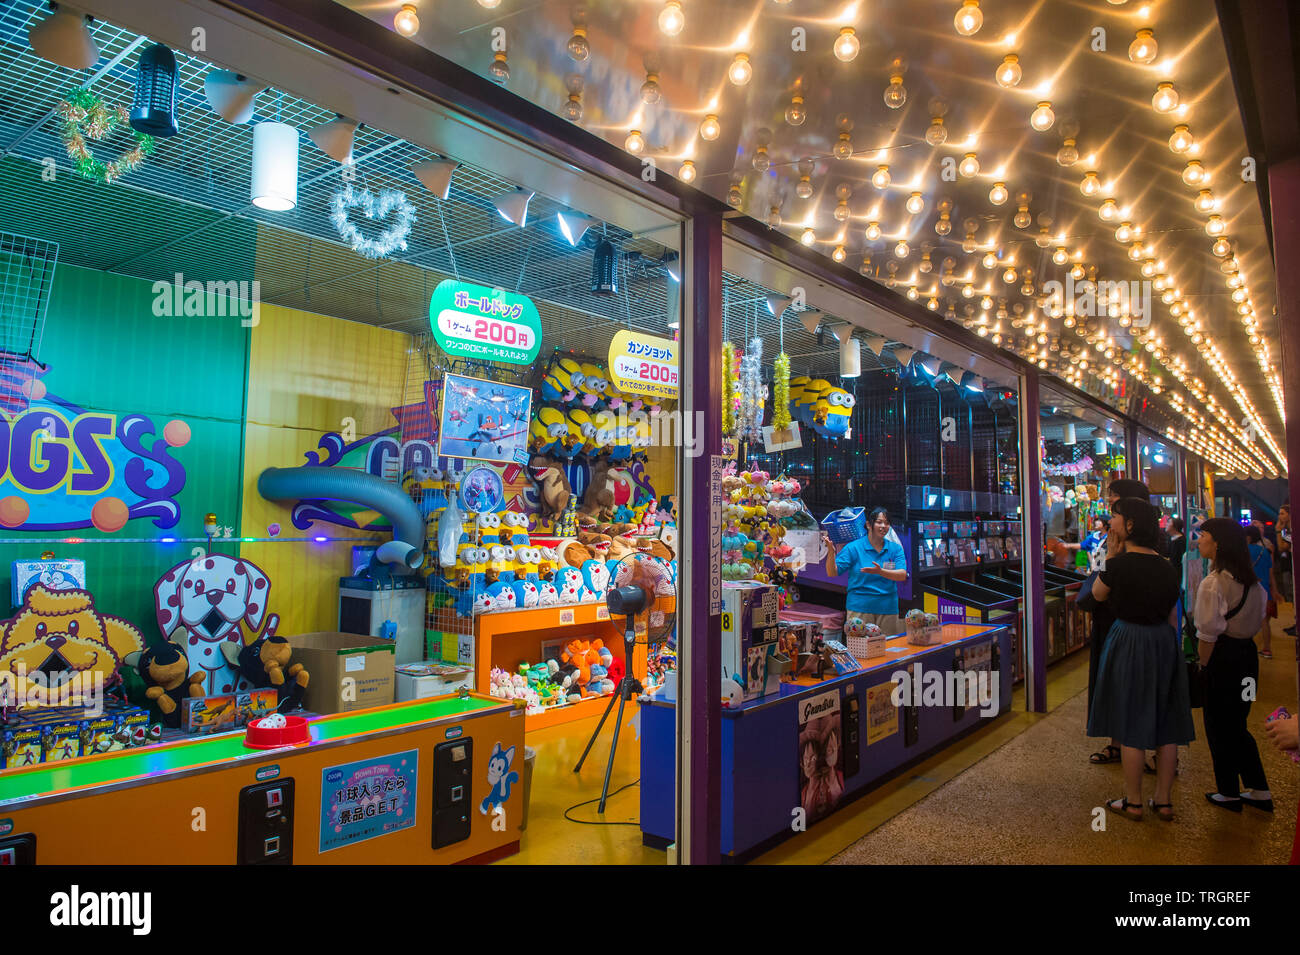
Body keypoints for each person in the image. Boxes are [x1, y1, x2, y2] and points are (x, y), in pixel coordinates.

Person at [1087, 497, 1193, 820]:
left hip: (1129, 640)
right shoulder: (1166, 565)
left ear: (1130, 525)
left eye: (1116, 516)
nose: (1110, 520)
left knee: (1132, 721)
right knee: (1166, 722)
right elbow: (1174, 615)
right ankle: (1163, 800)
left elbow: (1096, 594)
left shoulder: (1116, 564)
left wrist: (1112, 554)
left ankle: (1133, 801)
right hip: (1163, 642)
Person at [1194, 518, 1272, 814]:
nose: (1199, 540)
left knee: (1217, 724)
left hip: (1223, 660)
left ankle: (1228, 791)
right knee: (1239, 722)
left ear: (1218, 544)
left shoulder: (1213, 583)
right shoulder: (1253, 583)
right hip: (1248, 660)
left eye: (1204, 536)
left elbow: (1208, 634)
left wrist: (1203, 668)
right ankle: (1258, 788)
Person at [1087, 478, 1153, 765]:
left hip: (1123, 624)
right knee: (1115, 684)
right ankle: (1119, 743)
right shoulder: (1112, 540)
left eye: (1113, 498)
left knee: (1129, 685)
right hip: (1111, 622)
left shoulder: (1134, 547)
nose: (1108, 502)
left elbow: (1103, 587)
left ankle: (1136, 747)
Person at [821, 507, 908, 635]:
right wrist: (831, 553)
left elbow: (902, 575)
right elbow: (832, 572)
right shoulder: (854, 547)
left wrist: (880, 571)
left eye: (887, 523)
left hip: (888, 608)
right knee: (860, 650)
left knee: (889, 650)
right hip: (859, 608)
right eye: (879, 522)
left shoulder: (895, 549)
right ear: (868, 524)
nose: (883, 526)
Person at [1246, 524, 1275, 659]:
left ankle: (1247, 646)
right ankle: (1267, 649)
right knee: (1265, 622)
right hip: (1265, 588)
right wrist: (1275, 591)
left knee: (1247, 618)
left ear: (1248, 537)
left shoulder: (1244, 551)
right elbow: (1271, 574)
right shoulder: (1265, 551)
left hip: (1250, 588)